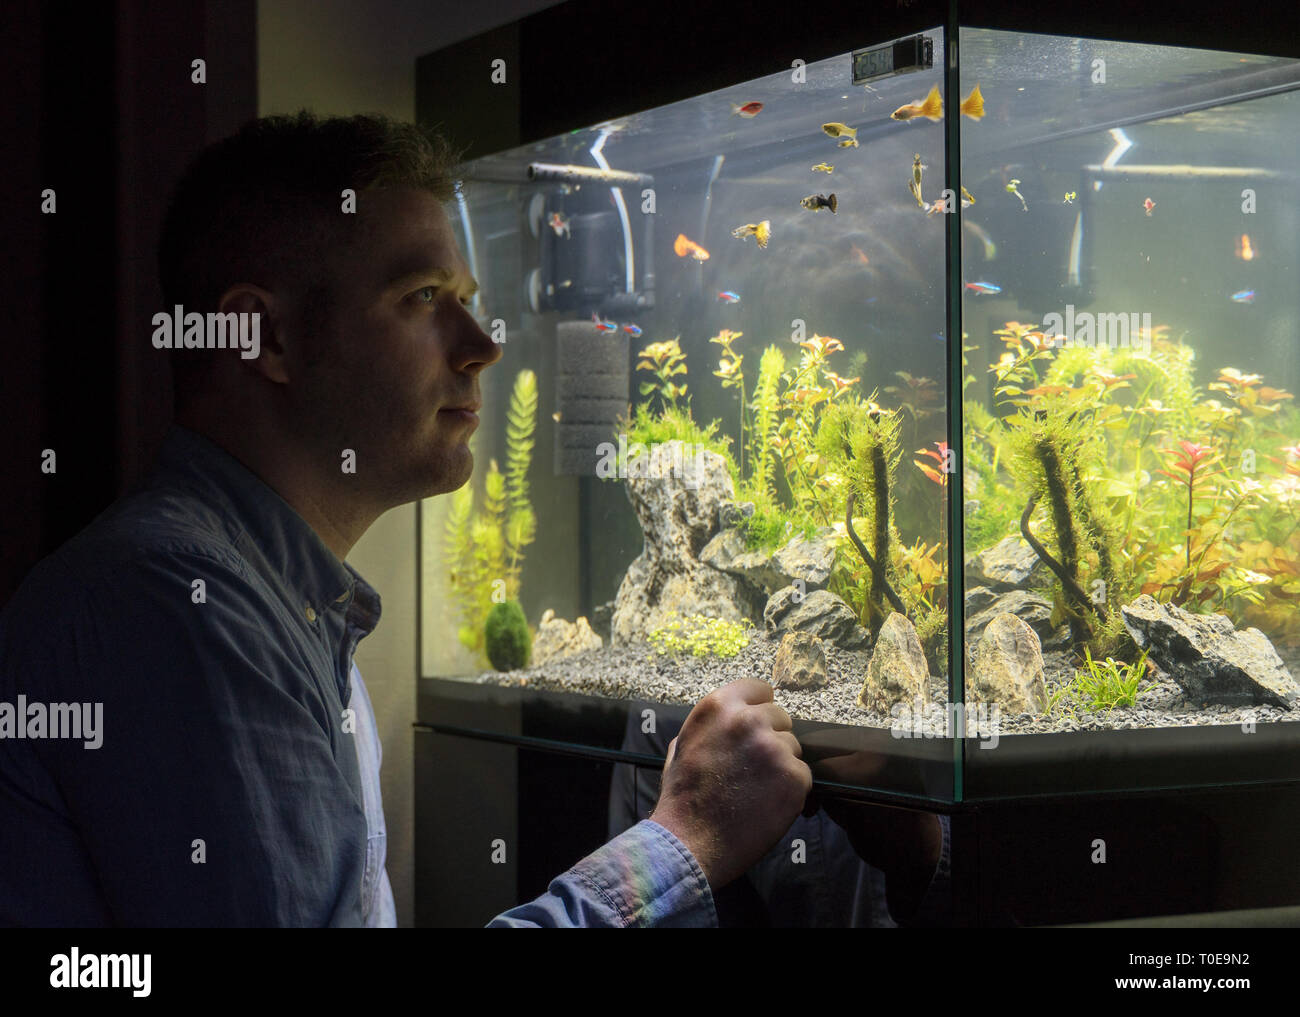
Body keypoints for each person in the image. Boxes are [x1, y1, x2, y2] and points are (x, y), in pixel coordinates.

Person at [0, 111, 814, 927]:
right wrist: (682, 840)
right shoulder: (181, 608)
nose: (481, 344)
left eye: (466, 298)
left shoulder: (280, 606)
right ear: (262, 334)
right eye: (423, 296)